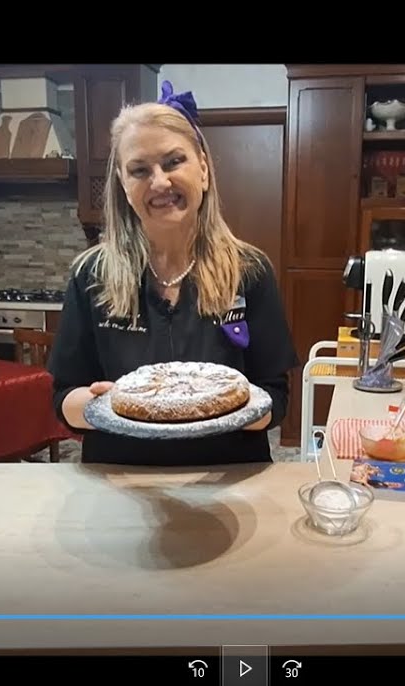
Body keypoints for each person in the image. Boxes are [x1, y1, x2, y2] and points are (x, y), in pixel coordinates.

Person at [48, 81, 299, 466]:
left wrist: (228, 403)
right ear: (123, 184)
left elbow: (275, 398)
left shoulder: (250, 270)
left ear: (203, 168)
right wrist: (103, 404)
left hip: (227, 479)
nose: (159, 182)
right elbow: (64, 396)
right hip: (122, 480)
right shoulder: (91, 275)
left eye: (173, 162)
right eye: (139, 170)